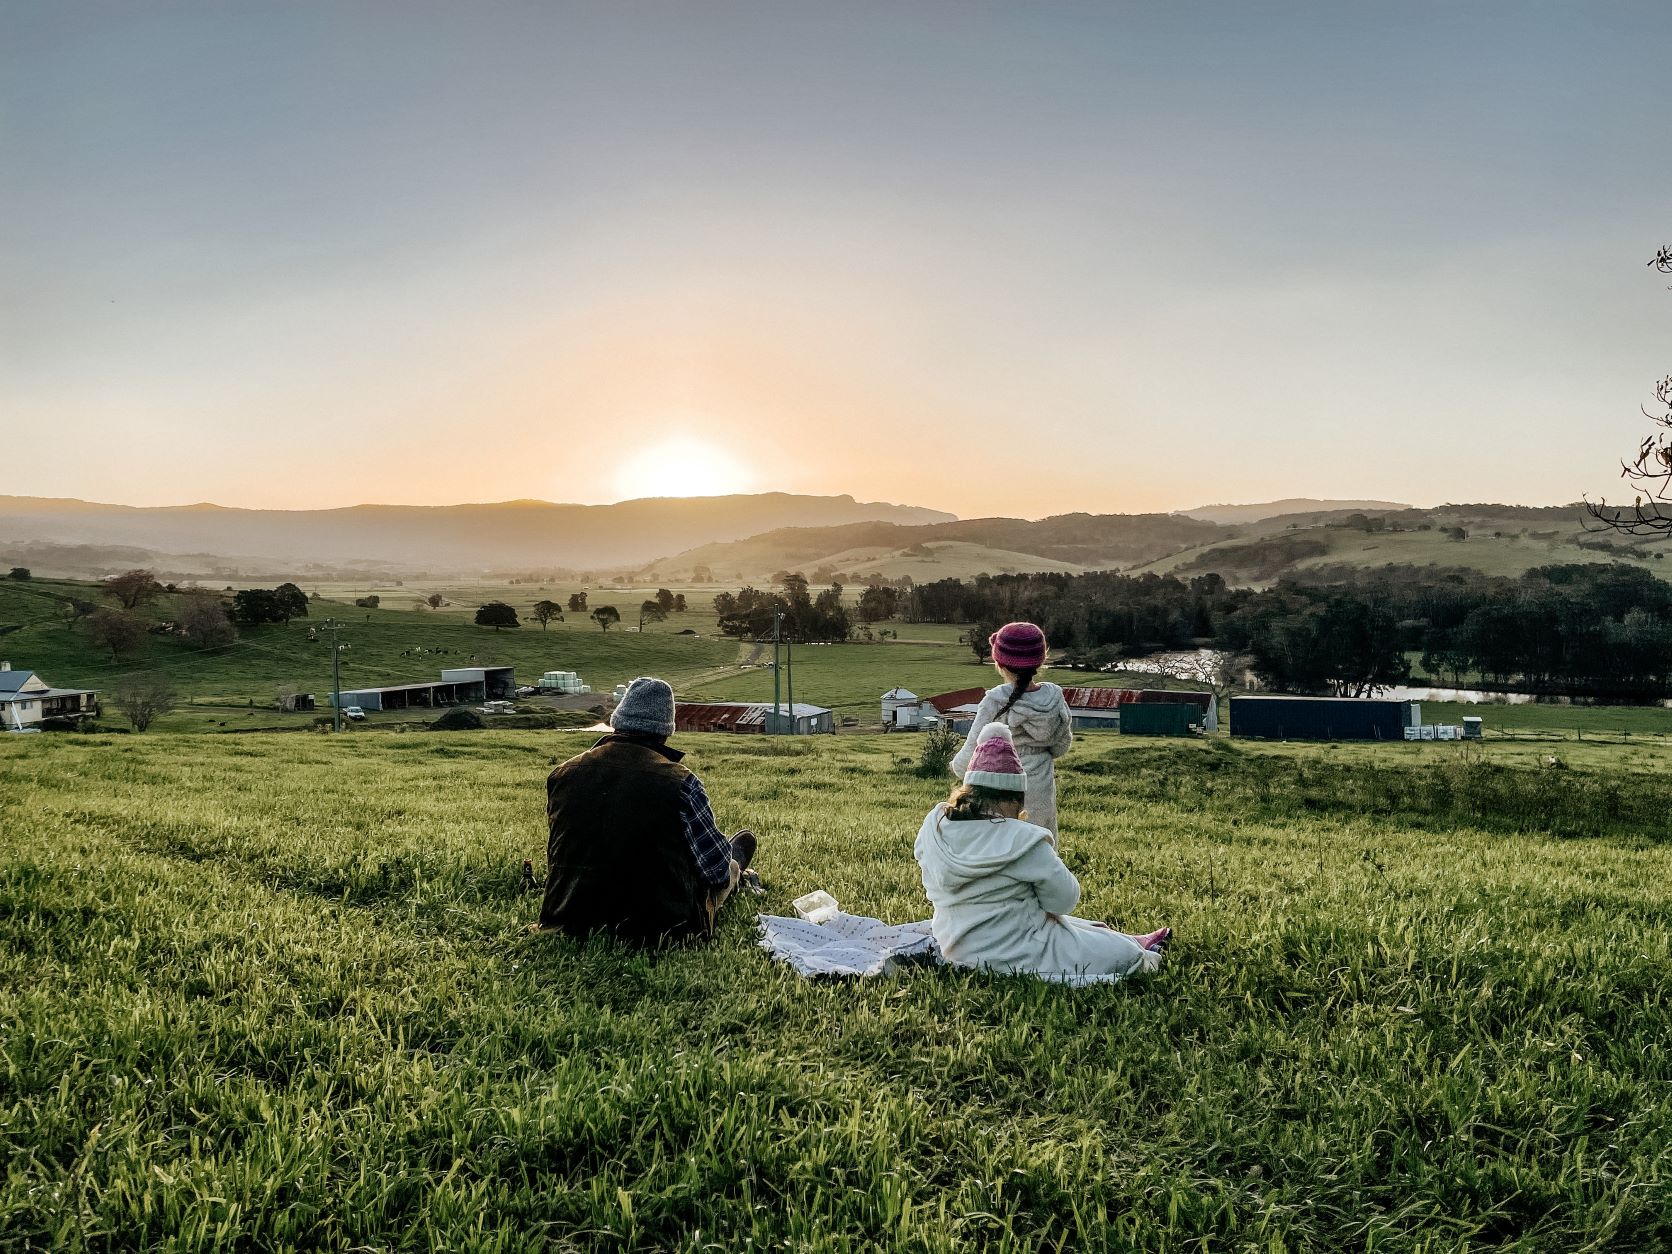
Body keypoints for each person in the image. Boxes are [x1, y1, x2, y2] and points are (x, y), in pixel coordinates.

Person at [917, 723, 1169, 982]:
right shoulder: (1022, 839)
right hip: (1016, 953)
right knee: (1123, 954)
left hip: (955, 946)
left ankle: (1126, 938)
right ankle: (1133, 946)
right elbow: (1064, 900)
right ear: (1016, 798)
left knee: (1075, 925)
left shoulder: (934, 828)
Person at [535, 676, 757, 945]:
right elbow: (716, 872)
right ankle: (740, 864)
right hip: (662, 927)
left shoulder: (562, 774)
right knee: (731, 859)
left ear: (618, 721)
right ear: (666, 731)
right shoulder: (681, 782)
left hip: (569, 916)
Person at [950, 621, 1073, 839]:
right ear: (1042, 657)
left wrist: (958, 768)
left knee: (1000, 843)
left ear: (999, 662)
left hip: (997, 789)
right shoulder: (1054, 698)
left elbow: (970, 754)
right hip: (1041, 787)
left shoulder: (994, 700)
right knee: (1040, 841)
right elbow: (1061, 747)